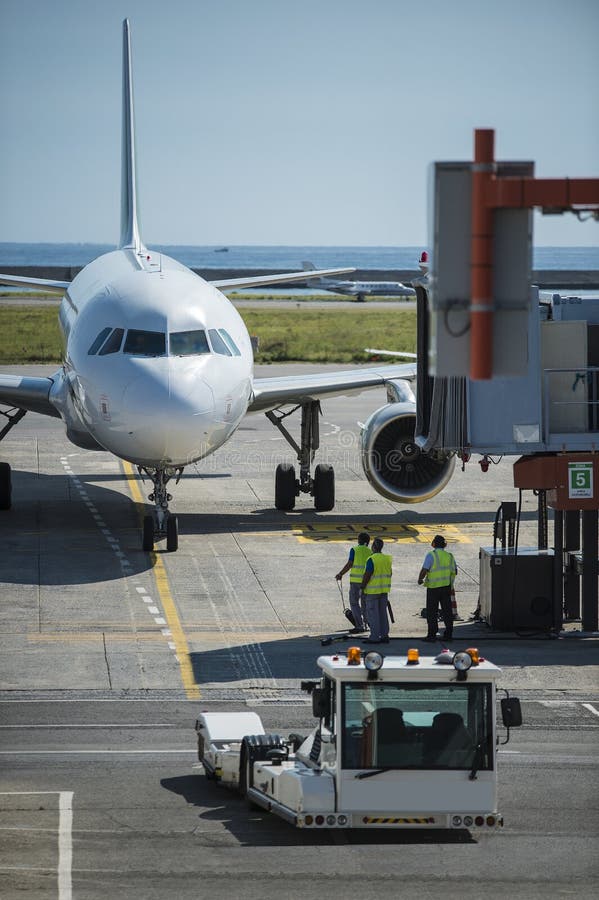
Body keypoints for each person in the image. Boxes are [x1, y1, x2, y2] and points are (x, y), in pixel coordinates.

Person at [418, 534, 457, 642]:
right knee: (447, 612)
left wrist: (420, 579)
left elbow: (425, 569)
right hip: (446, 587)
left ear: (433, 544)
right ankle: (448, 635)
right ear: (445, 545)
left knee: (432, 612)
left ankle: (432, 635)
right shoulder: (450, 556)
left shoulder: (431, 555)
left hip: (433, 588)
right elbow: (455, 571)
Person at [335, 532, 370, 633]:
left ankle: (359, 625)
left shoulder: (354, 550)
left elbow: (350, 564)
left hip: (355, 582)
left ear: (359, 540)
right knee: (365, 603)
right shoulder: (371, 551)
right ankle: (367, 624)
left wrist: (340, 574)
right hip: (366, 582)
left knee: (354, 603)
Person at [361, 537, 392, 643]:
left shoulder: (372, 559)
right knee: (383, 614)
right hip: (384, 591)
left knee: (373, 615)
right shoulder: (387, 559)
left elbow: (367, 574)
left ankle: (374, 637)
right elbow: (390, 573)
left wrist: (362, 586)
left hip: (372, 592)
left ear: (373, 547)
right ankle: (384, 636)